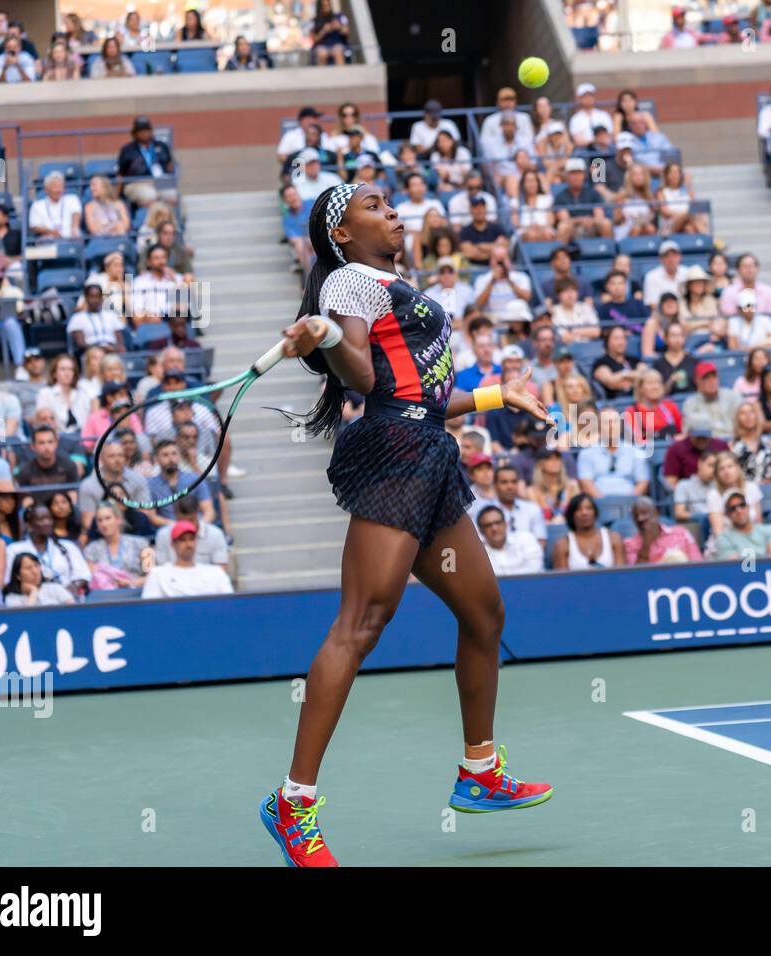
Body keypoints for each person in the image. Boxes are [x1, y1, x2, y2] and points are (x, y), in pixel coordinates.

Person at [266, 181, 553, 865]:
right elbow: (366, 379)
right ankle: (293, 802)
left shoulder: (393, 285)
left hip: (429, 454)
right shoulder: (351, 282)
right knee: (361, 624)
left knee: (484, 615)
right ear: (341, 233)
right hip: (394, 456)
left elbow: (418, 392)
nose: (391, 210)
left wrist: (494, 393)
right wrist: (331, 336)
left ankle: (479, 771)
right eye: (372, 205)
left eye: (390, 203)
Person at [5, 503, 91, 595]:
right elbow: (8, 581)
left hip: (67, 599)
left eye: (49, 518)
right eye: (41, 519)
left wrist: (73, 587)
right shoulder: (14, 549)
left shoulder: (68, 546)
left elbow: (83, 574)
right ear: (29, 525)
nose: (47, 522)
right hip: (31, 600)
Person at [141, 520, 234, 598]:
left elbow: (228, 605)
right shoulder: (157, 574)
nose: (188, 544)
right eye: (182, 540)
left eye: (191, 539)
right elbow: (150, 609)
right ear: (173, 545)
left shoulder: (216, 573)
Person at [117, 116, 177, 209]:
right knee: (150, 196)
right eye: (140, 131)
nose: (144, 133)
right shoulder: (127, 150)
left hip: (160, 181)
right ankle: (156, 223)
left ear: (151, 131)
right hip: (137, 183)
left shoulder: (161, 146)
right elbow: (120, 174)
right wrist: (117, 195)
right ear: (135, 133)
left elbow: (170, 166)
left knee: (172, 195)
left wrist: (169, 178)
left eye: (146, 130)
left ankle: (170, 223)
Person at [552, 493, 624, 570]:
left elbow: (622, 576)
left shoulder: (614, 538)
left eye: (589, 508)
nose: (584, 513)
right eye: (578, 509)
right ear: (572, 515)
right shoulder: (562, 545)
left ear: (595, 512)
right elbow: (561, 580)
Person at [712, 490, 771, 559]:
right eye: (732, 508)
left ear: (748, 507)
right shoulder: (724, 538)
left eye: (742, 505)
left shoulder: (770, 530)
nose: (739, 511)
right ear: (727, 514)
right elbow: (733, 567)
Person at [476, 504, 544, 576]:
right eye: (488, 525)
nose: (494, 528)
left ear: (506, 524)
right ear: (481, 530)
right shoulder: (478, 552)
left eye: (498, 523)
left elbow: (534, 570)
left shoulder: (526, 539)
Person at [2, 552, 74, 607]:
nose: (35, 571)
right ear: (18, 576)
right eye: (28, 568)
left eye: (37, 566)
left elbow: (73, 611)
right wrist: (34, 592)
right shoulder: (11, 598)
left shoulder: (55, 588)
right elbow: (25, 618)